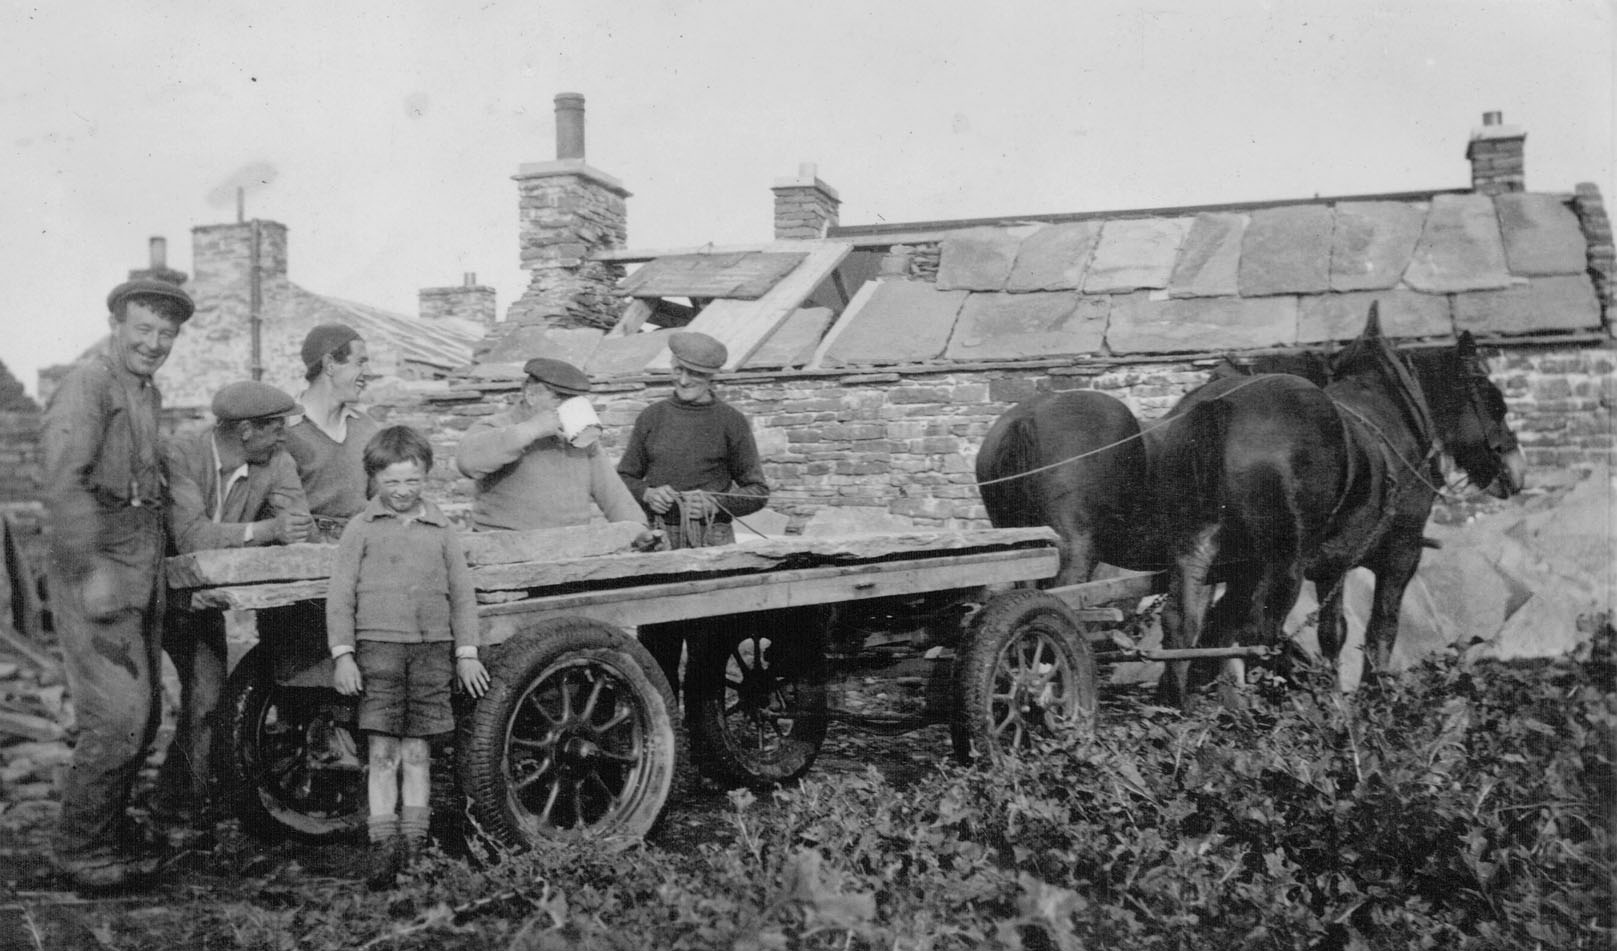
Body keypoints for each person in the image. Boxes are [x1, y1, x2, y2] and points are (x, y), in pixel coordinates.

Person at [42, 277, 193, 888]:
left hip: (141, 554)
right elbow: (62, 482)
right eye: (144, 330)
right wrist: (92, 569)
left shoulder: (143, 390)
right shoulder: (89, 384)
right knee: (120, 714)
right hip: (98, 557)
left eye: (167, 334)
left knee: (148, 709)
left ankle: (112, 830)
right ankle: (80, 851)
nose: (155, 343)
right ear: (116, 326)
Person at [326, 426, 487, 889]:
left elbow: (461, 596)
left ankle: (415, 846)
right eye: (391, 482)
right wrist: (344, 656)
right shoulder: (360, 528)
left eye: (411, 481)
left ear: (426, 477)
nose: (401, 492)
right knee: (381, 752)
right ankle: (383, 848)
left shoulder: (441, 529)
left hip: (431, 653)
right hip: (378, 654)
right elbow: (339, 597)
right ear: (374, 478)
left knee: (418, 752)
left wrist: (466, 654)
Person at [154, 381, 313, 837]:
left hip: (199, 606)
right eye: (276, 427)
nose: (284, 436)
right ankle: (110, 827)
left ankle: (177, 817)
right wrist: (268, 530)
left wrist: (294, 528)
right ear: (246, 430)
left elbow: (297, 525)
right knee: (137, 715)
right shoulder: (181, 454)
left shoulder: (276, 460)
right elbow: (190, 537)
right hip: (149, 598)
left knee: (206, 702)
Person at [617, 331, 770, 695]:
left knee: (708, 654)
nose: (684, 380)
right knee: (658, 651)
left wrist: (715, 501)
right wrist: (647, 493)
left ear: (711, 378)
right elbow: (623, 476)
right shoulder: (651, 418)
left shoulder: (730, 422)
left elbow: (758, 491)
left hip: (711, 548)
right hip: (660, 545)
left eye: (695, 374)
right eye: (679, 369)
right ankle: (667, 744)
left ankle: (706, 746)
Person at [454, 357, 646, 532]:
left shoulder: (581, 440)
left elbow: (613, 494)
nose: (567, 407)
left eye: (574, 400)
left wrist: (639, 530)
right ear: (531, 395)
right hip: (505, 545)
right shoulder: (497, 426)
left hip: (568, 546)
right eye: (559, 398)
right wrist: (532, 429)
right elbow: (467, 463)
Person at [285, 323, 379, 542]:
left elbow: (381, 497)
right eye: (360, 363)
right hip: (303, 551)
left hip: (362, 544)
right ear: (330, 365)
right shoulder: (283, 430)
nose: (369, 373)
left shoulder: (367, 428)